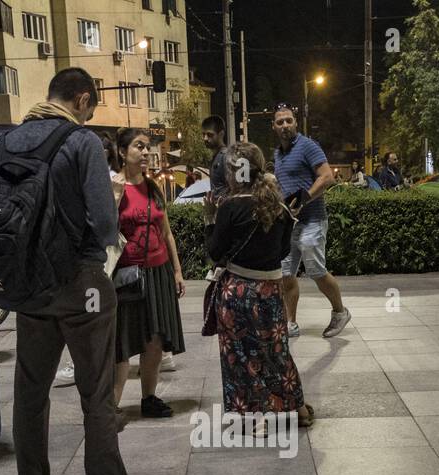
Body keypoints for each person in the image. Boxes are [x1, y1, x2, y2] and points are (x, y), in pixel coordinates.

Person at [0, 67, 154, 475]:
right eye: (93, 106)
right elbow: (103, 225)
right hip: (80, 284)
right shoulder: (81, 143)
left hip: (28, 288)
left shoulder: (5, 143)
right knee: (96, 389)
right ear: (82, 99)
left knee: (30, 390)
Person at [205, 141, 312, 428]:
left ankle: (257, 420)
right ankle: (297, 408)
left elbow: (215, 252)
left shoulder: (229, 207)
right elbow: (281, 254)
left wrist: (208, 219)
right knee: (276, 350)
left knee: (241, 354)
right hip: (271, 291)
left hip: (237, 292)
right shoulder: (277, 207)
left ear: (232, 172)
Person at [109, 127, 186, 421]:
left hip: (158, 271)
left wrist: (177, 270)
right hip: (127, 274)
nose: (144, 152)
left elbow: (166, 232)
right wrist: (115, 196)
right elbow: (104, 230)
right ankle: (112, 405)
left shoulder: (153, 187)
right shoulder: (114, 187)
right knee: (123, 341)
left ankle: (149, 397)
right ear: (122, 151)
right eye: (138, 146)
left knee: (155, 338)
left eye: (146, 147)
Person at [272, 105, 351, 338]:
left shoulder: (307, 146)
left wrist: (303, 200)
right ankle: (290, 323)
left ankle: (340, 312)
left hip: (313, 219)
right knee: (286, 274)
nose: (285, 126)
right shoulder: (278, 153)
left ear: (296, 123)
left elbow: (326, 176)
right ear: (274, 127)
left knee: (316, 271)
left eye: (288, 121)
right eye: (280, 122)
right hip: (290, 223)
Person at [202, 114, 229, 202]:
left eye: (210, 135)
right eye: (203, 134)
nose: (205, 138)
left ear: (221, 134)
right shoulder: (216, 156)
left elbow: (235, 189)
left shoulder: (225, 156)